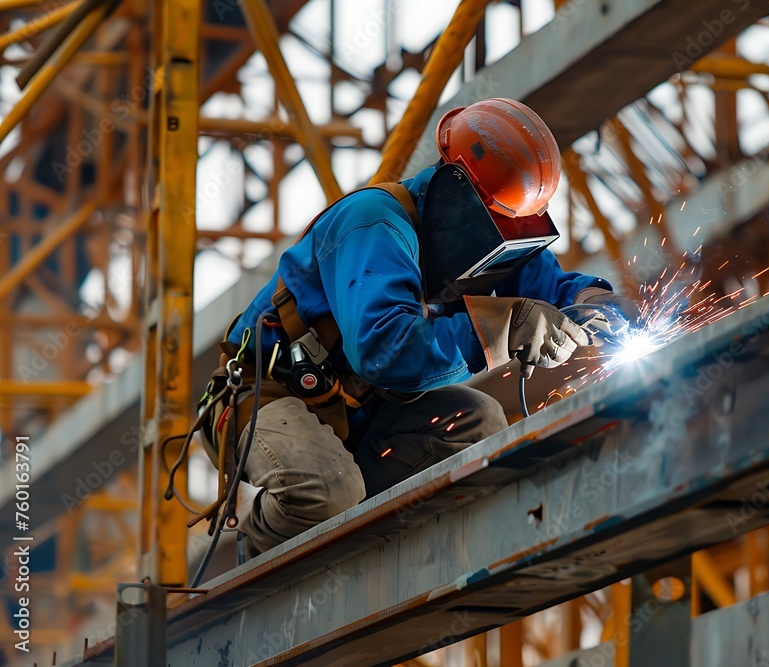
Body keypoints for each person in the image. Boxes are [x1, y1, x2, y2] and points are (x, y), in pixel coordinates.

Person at [199, 98, 638, 556]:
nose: (502, 245)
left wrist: (591, 302)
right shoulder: (375, 223)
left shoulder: (480, 235)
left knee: (477, 422)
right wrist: (500, 328)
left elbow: (547, 283)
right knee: (328, 493)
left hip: (358, 412)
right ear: (457, 191)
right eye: (498, 228)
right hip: (267, 392)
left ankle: (387, 550)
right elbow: (385, 351)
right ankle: (258, 544)